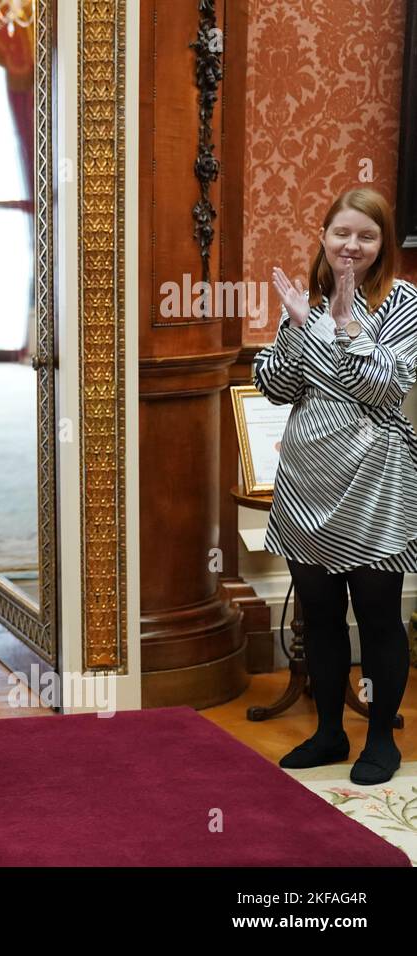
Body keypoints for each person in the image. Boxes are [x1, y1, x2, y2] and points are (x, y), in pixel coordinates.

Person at [253, 187, 417, 785]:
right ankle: (327, 732)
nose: (353, 245)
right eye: (343, 232)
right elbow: (276, 386)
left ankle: (380, 738)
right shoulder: (307, 298)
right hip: (306, 478)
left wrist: (346, 328)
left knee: (376, 615)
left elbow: (383, 389)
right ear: (325, 235)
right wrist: (299, 329)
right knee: (318, 615)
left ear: (383, 245)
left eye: (367, 236)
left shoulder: (404, 304)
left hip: (376, 477)